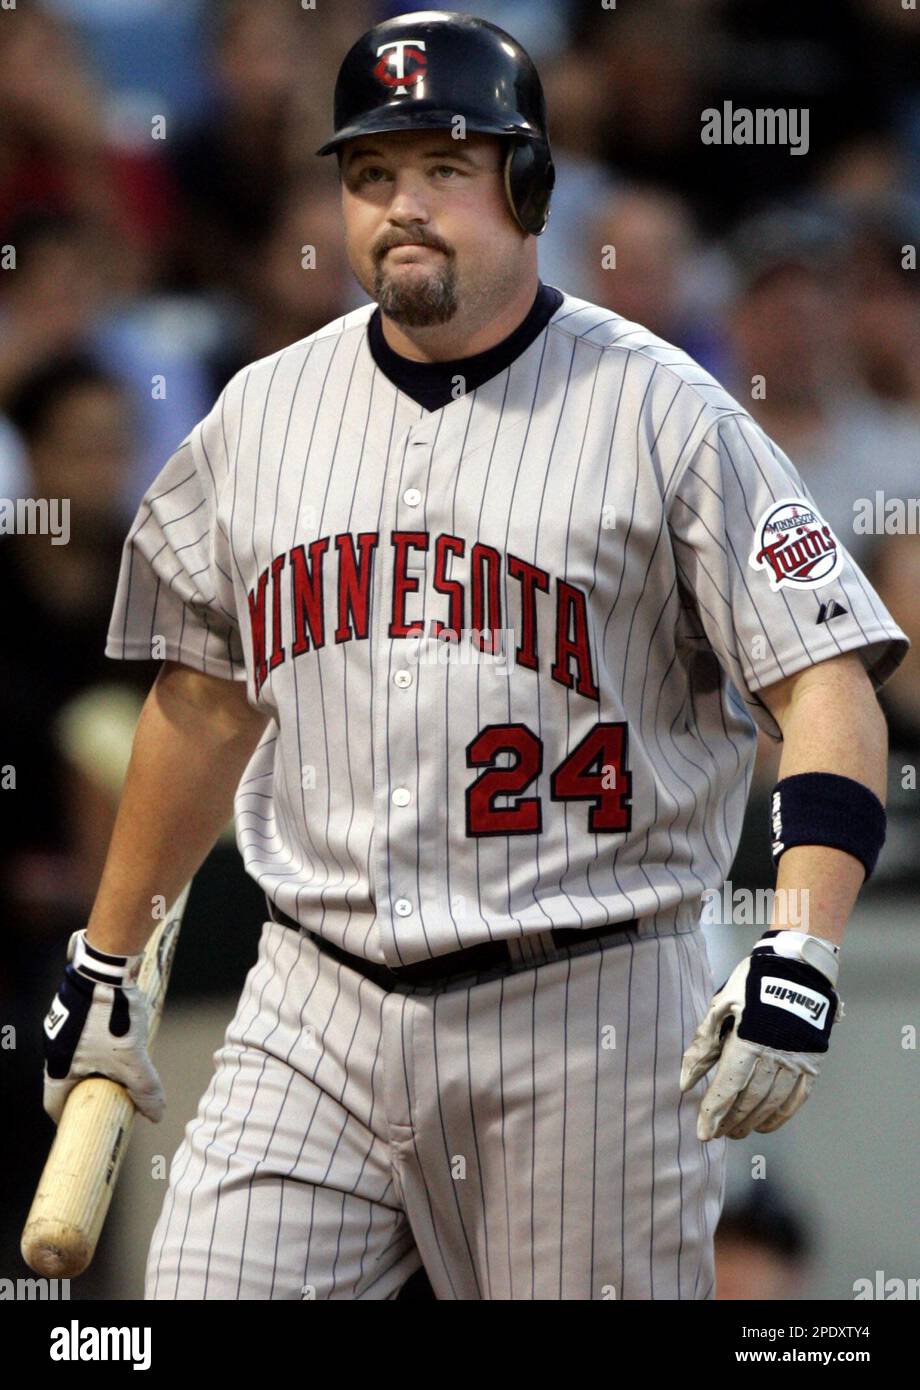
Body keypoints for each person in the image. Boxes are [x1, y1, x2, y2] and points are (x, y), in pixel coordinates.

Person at [42, 12, 908, 1301]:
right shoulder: (258, 419)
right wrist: (111, 953)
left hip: (587, 1008)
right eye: (371, 175)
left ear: (531, 189)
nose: (402, 205)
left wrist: (802, 945)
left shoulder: (667, 412)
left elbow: (827, 683)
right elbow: (202, 705)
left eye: (444, 169)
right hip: (312, 997)